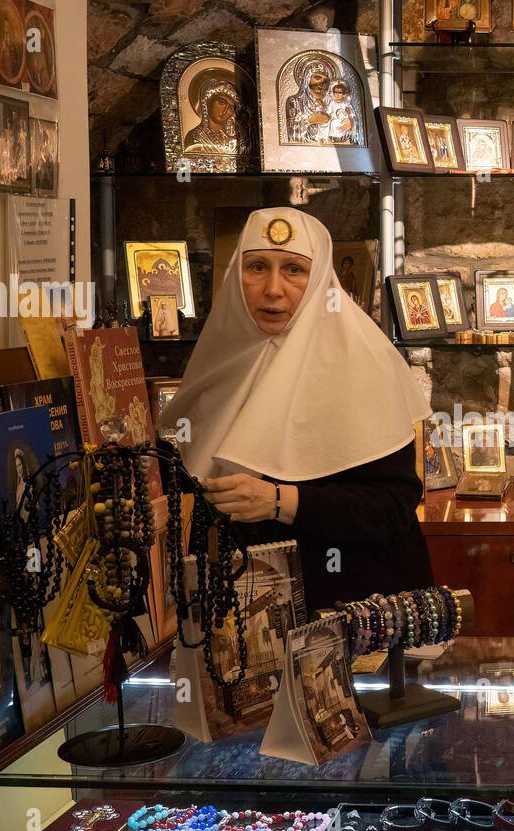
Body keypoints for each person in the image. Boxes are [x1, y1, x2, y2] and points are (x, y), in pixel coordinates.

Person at [160, 208, 433, 612]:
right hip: (238, 617)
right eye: (257, 267)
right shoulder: (219, 361)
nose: (273, 288)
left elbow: (391, 509)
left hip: (350, 609)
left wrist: (279, 500)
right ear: (236, 276)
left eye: (294, 270)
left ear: (321, 278)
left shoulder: (362, 362)